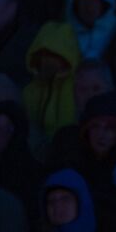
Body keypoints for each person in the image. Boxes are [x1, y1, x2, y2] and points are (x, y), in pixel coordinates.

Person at [20, 21, 82, 155]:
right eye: (45, 55)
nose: (49, 61)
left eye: (56, 56)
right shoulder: (29, 92)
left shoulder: (77, 90)